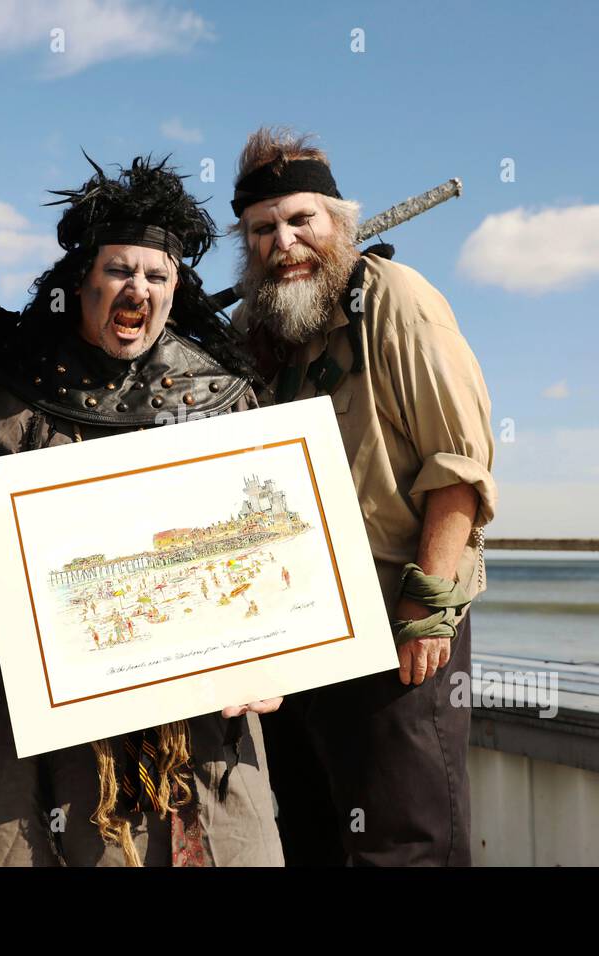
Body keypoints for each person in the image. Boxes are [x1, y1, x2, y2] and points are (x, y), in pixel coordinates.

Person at [0, 155, 284, 867]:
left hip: (195, 696)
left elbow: (271, 551)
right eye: (120, 271)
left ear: (175, 288)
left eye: (156, 275)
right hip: (47, 679)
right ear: (82, 282)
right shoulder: (15, 387)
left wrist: (273, 655)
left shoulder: (223, 395)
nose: (138, 288)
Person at [228, 128, 498, 866]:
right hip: (298, 626)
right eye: (262, 229)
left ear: (340, 223)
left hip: (397, 615)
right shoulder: (256, 329)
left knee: (404, 842)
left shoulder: (398, 301)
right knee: (310, 834)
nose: (284, 242)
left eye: (301, 220)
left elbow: (458, 465)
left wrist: (426, 609)